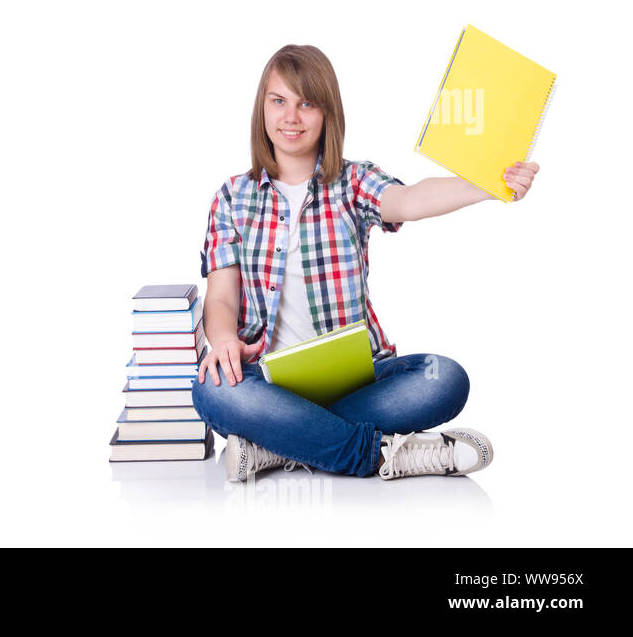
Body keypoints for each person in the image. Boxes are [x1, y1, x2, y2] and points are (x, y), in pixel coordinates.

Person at [192, 44, 538, 483]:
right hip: (268, 384)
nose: (291, 117)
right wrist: (221, 339)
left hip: (362, 379)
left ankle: (276, 446)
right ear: (262, 108)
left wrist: (490, 185)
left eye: (307, 103)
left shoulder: (352, 182)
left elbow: (410, 199)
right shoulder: (232, 197)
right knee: (211, 389)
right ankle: (377, 456)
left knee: (443, 378)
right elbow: (221, 297)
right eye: (278, 101)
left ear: (327, 113)